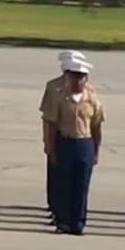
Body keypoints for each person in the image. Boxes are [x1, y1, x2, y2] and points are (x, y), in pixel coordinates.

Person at [44, 57, 103, 236]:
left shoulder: (92, 99)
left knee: (81, 185)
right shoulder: (60, 97)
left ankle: (78, 222)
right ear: (68, 78)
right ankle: (63, 221)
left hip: (84, 143)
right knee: (64, 183)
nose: (77, 81)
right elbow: (52, 124)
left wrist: (96, 151)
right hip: (65, 141)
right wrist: (51, 147)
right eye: (74, 76)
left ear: (86, 79)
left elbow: (96, 127)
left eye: (81, 77)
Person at [39, 50, 89, 222]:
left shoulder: (87, 90)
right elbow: (48, 117)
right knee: (57, 175)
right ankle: (56, 207)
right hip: (60, 135)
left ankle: (69, 214)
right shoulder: (54, 86)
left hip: (79, 139)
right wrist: (47, 141)